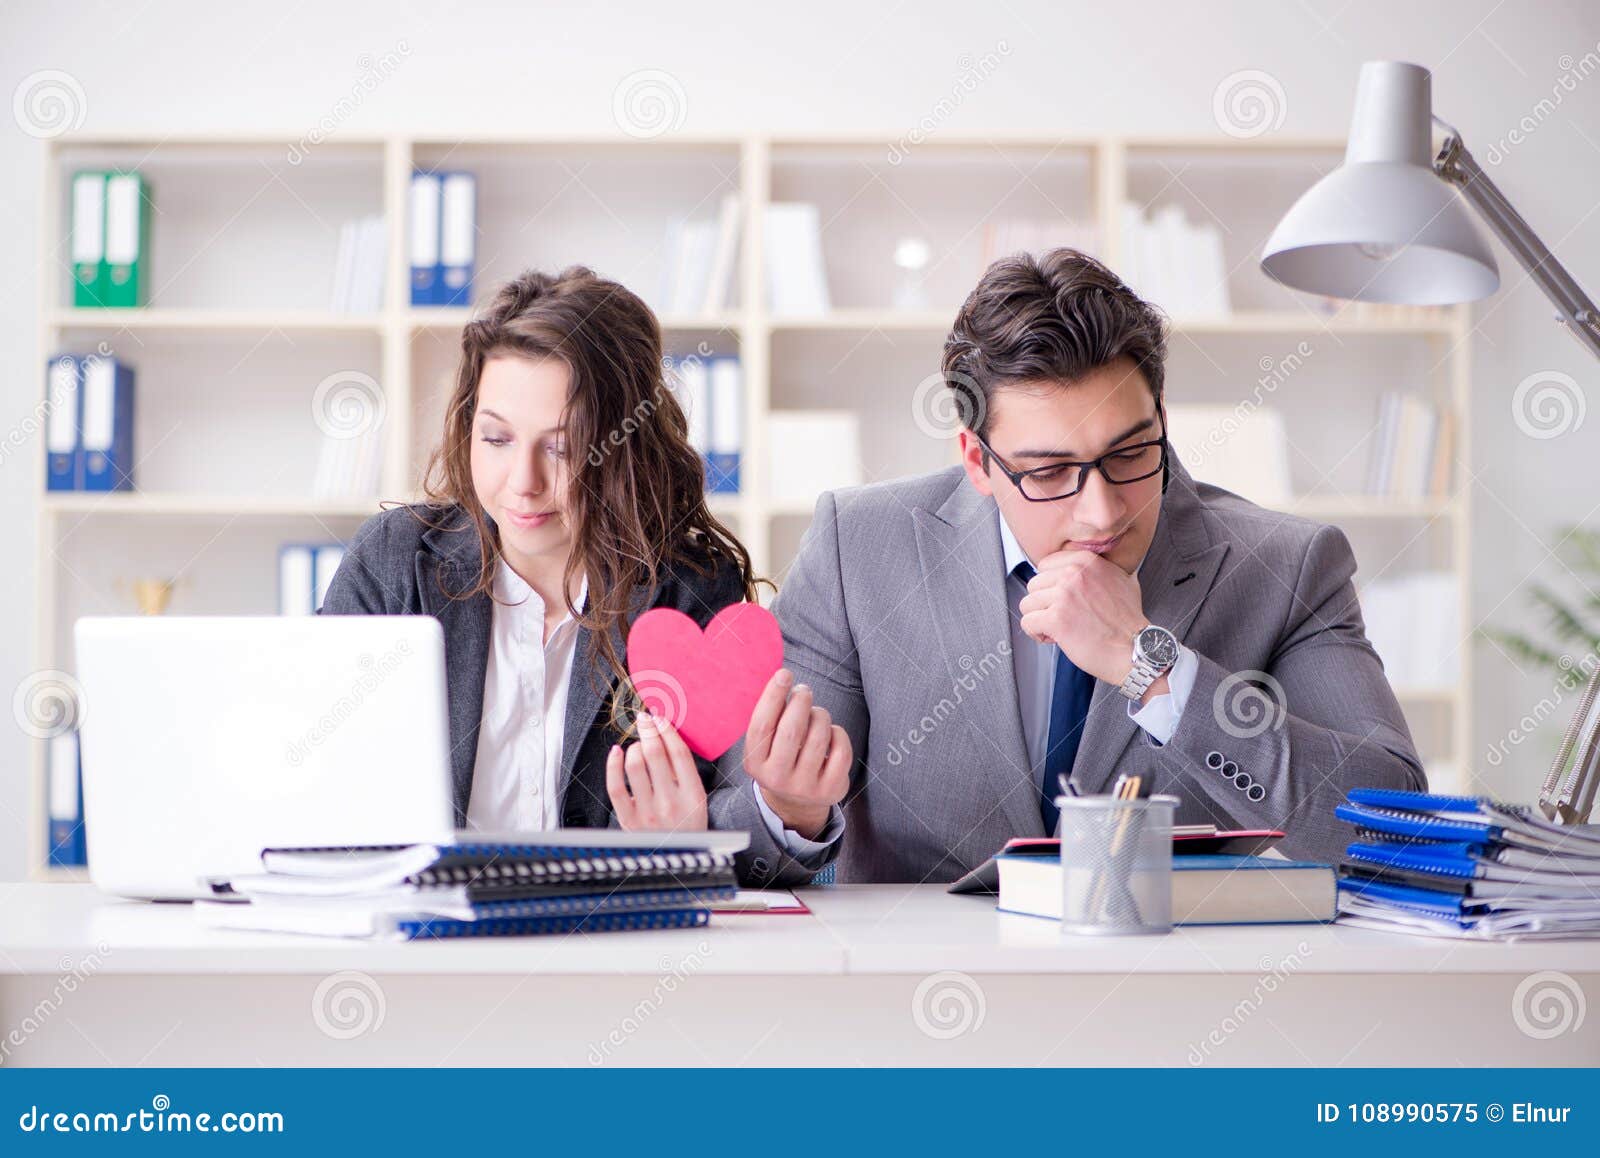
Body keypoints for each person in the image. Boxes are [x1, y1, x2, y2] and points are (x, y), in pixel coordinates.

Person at [718, 247, 1426, 885]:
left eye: (1129, 454)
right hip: (914, 1001)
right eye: (1051, 470)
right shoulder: (860, 549)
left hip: (1170, 1000)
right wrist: (789, 810)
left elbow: (1393, 831)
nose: (1101, 511)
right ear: (977, 461)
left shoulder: (1287, 567)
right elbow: (739, 839)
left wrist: (1156, 670)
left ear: (1162, 423)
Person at [321, 266, 844, 860]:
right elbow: (311, 767)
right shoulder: (394, 561)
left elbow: (734, 802)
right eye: (496, 439)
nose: (523, 483)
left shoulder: (687, 589)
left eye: (562, 447)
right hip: (423, 937)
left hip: (607, 942)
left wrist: (708, 834)